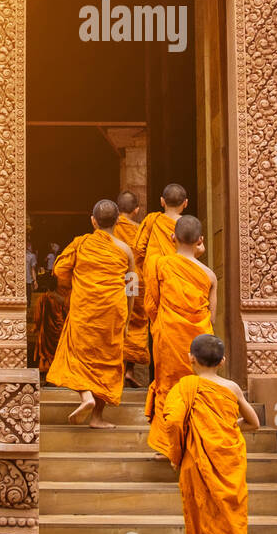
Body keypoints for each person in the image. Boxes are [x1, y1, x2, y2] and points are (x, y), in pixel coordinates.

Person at [160, 333, 259, 534]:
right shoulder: (232, 388)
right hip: (229, 464)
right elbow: (253, 422)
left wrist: (176, 451)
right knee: (230, 523)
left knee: (202, 523)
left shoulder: (186, 387)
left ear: (190, 358)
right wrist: (230, 427)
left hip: (198, 462)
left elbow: (174, 421)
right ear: (223, 361)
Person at [47, 200, 134, 428]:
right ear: (117, 222)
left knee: (76, 355)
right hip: (113, 312)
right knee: (107, 362)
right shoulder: (125, 250)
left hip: (85, 309)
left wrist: (77, 281)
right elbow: (132, 286)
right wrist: (128, 317)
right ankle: (97, 418)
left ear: (93, 221)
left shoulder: (81, 244)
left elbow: (59, 270)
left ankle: (85, 395)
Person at [144, 215, 216, 456]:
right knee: (196, 390)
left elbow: (151, 306)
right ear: (200, 241)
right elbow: (212, 316)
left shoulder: (160, 265)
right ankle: (194, 442)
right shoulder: (208, 275)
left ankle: (166, 444)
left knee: (168, 387)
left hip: (168, 335)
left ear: (172, 237)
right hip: (198, 340)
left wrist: (162, 323)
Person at [113, 190, 148, 386]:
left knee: (116, 321)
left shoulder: (110, 227)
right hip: (135, 281)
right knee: (136, 323)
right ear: (136, 210)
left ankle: (116, 370)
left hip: (116, 279)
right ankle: (130, 370)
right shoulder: (140, 229)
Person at [133, 183, 189, 280]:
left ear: (162, 201)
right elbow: (194, 250)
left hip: (155, 272)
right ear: (185, 203)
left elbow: (138, 249)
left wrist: (147, 267)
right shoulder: (189, 225)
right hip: (180, 273)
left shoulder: (152, 220)